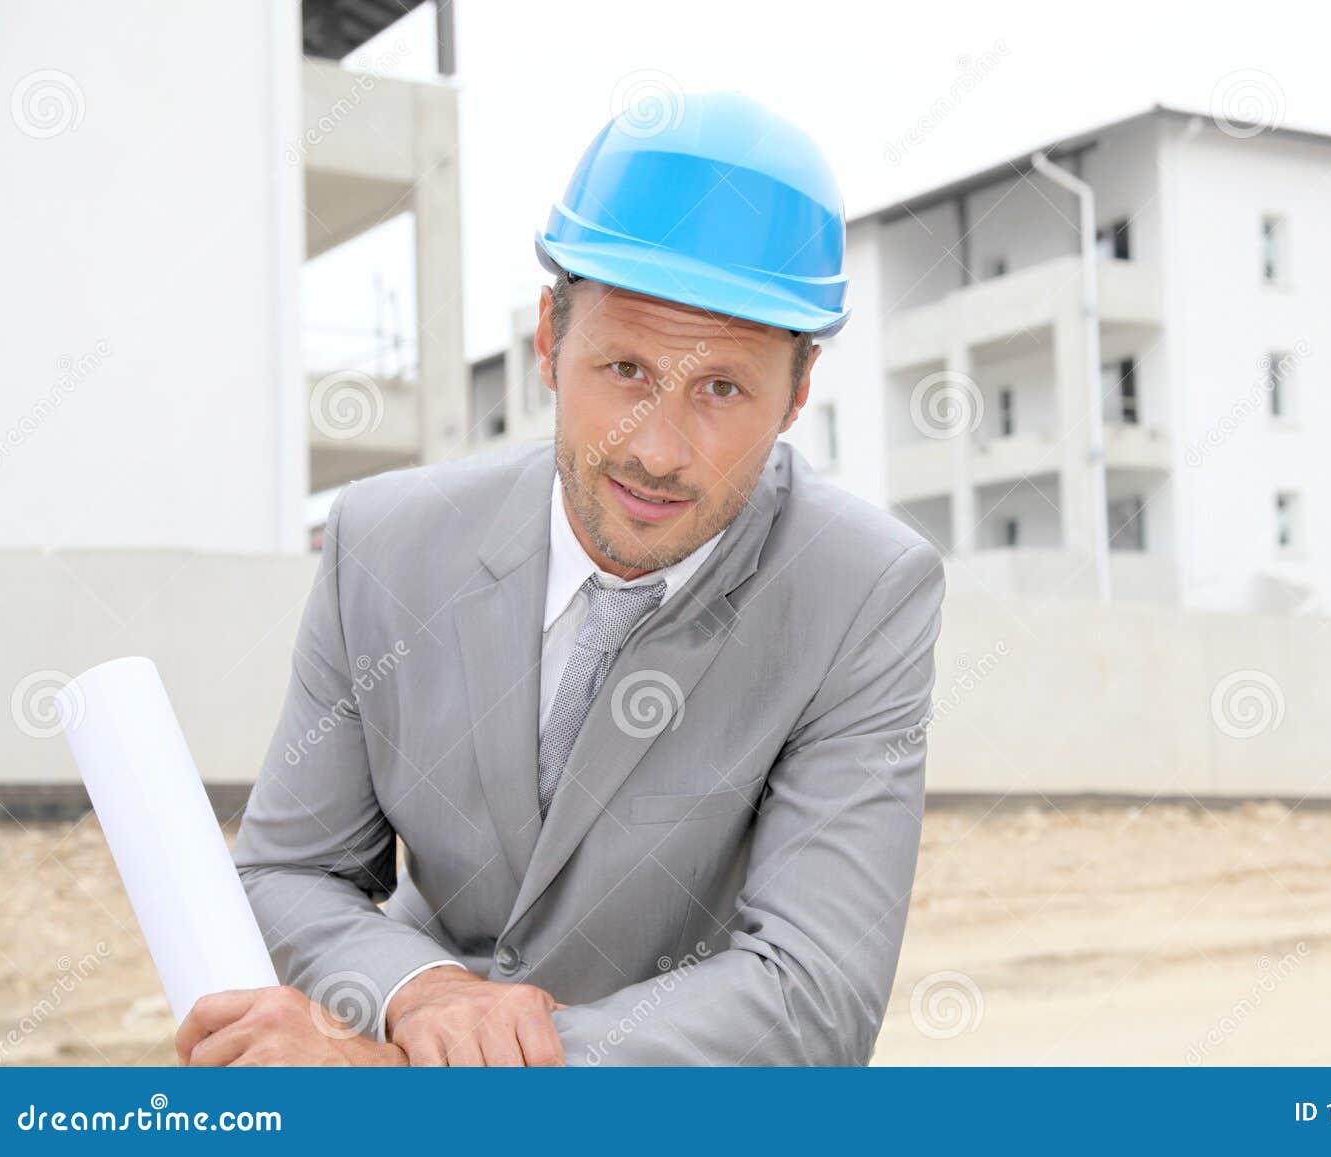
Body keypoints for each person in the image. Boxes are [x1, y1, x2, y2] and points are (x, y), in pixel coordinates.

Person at [177, 90, 945, 1067]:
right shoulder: (383, 540)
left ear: (796, 393)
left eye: (721, 387)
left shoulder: (863, 592)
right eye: (624, 368)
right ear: (548, 337)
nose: (658, 452)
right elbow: (289, 866)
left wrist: (418, 1081)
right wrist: (419, 989)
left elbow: (812, 995)